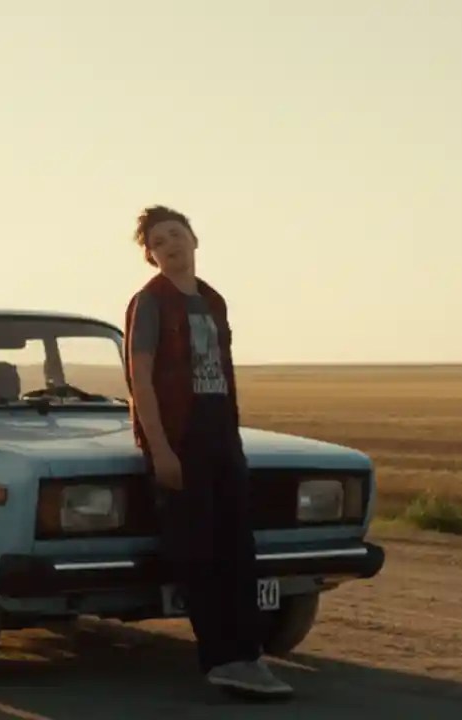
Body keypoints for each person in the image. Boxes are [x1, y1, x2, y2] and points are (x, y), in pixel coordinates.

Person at [122, 205, 294, 698]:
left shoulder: (213, 301)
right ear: (151, 257)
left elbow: (223, 372)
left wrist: (232, 436)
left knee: (239, 548)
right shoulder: (150, 302)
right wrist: (161, 450)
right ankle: (220, 659)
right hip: (181, 435)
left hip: (222, 433)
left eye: (176, 234)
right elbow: (141, 379)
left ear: (195, 239)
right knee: (200, 553)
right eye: (158, 242)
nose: (170, 245)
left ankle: (249, 654)